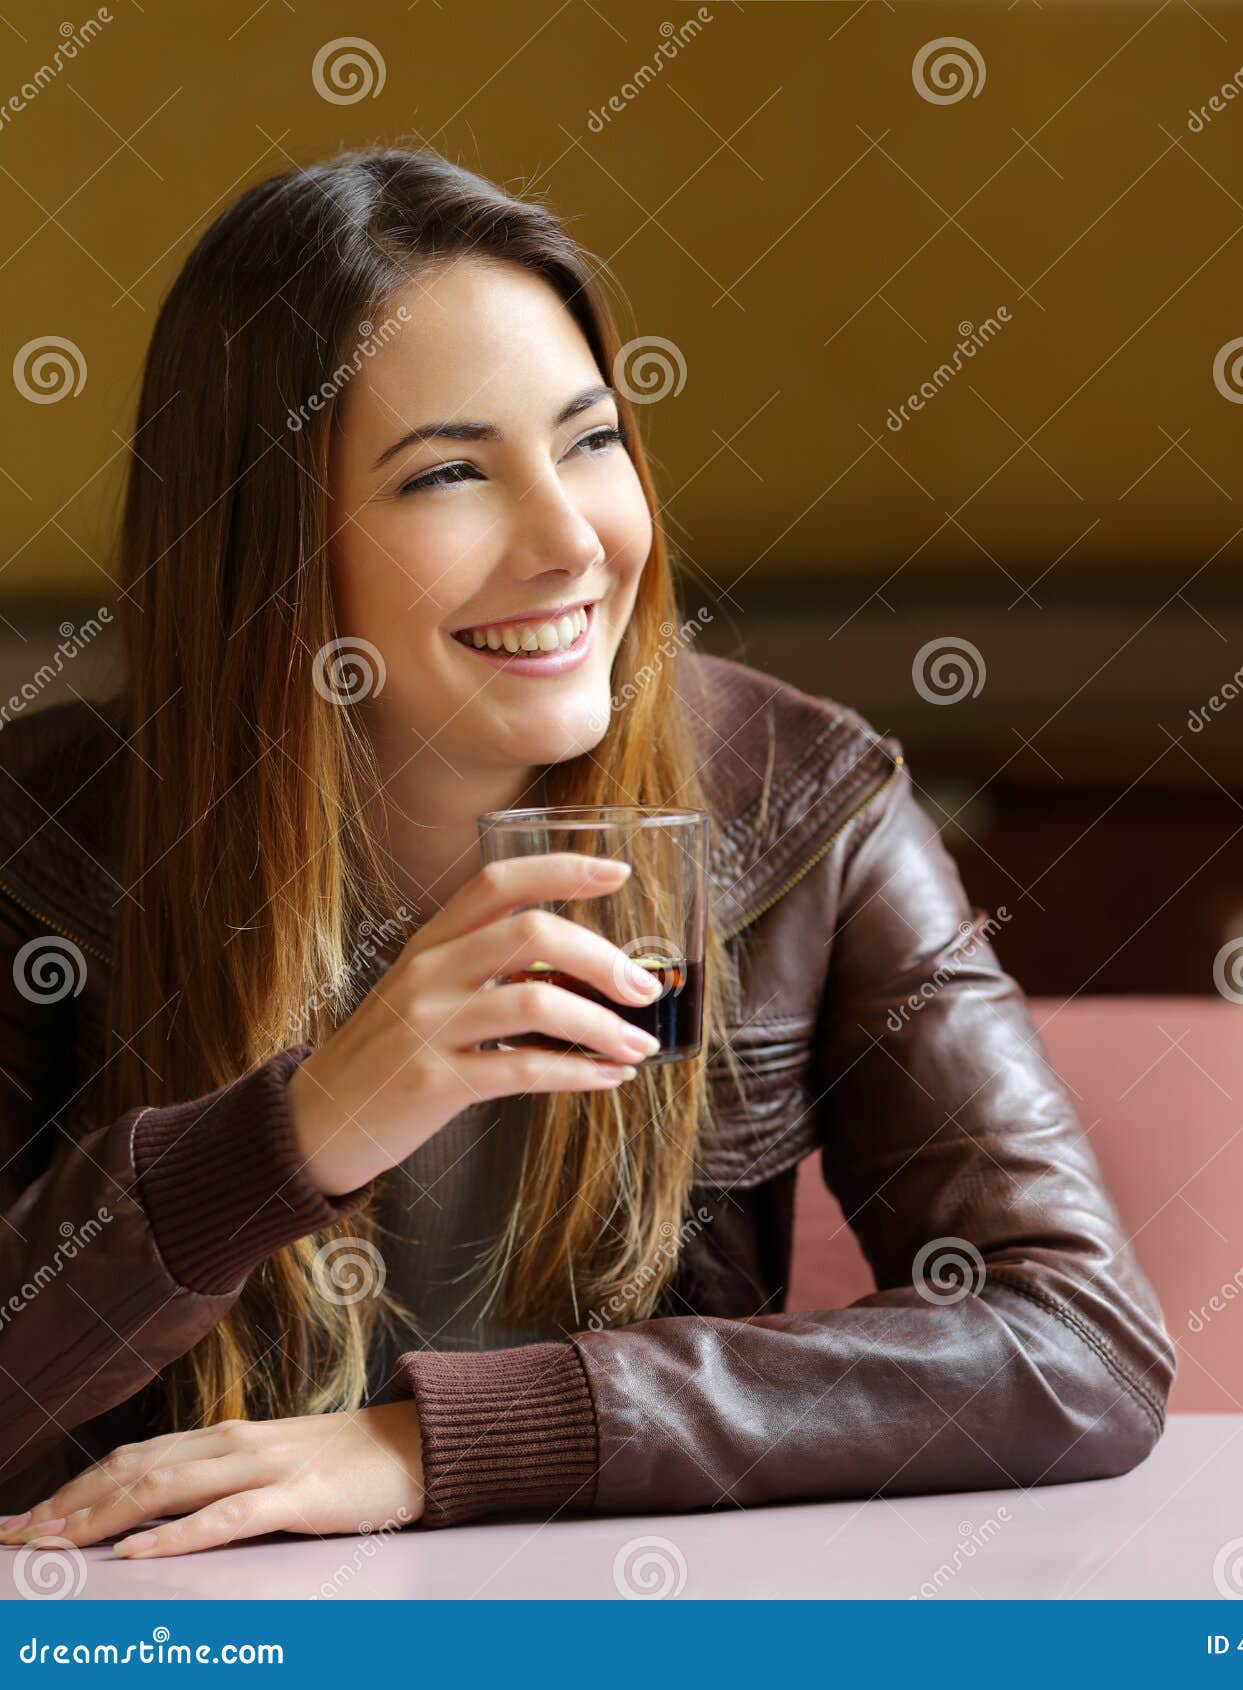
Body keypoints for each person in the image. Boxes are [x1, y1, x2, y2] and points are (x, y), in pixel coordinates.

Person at [0, 148, 1172, 1560]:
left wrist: (437, 1443)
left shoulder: (806, 807)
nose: (571, 541)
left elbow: (1076, 1339)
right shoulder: (36, 840)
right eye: (447, 472)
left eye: (591, 440)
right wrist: (303, 1129)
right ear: (266, 545)